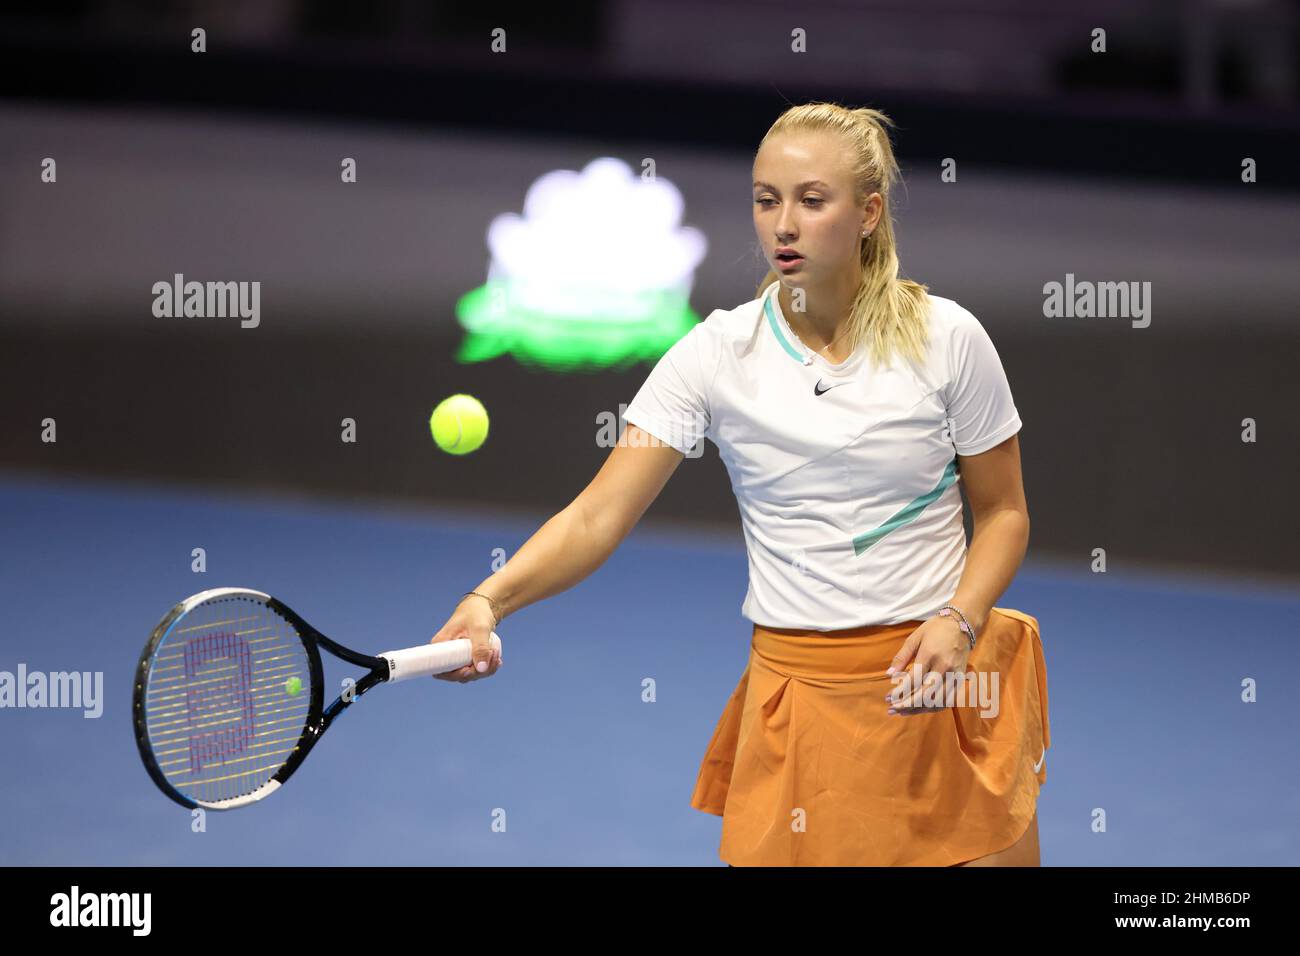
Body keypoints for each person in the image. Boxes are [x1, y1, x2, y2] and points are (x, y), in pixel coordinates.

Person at [428, 102, 1050, 867]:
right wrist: (490, 600)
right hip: (799, 704)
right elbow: (597, 515)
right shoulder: (713, 355)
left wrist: (958, 619)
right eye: (766, 199)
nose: (783, 223)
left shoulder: (950, 339)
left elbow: (1004, 514)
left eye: (811, 201)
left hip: (938, 685)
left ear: (868, 212)